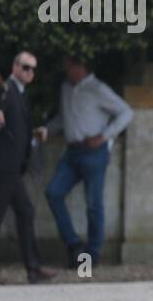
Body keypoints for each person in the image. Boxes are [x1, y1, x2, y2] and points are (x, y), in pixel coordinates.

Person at [0, 52, 57, 286]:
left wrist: (34, 133)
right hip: (4, 166)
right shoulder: (7, 89)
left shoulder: (19, 92)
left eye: (33, 69)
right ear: (15, 66)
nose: (30, 72)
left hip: (11, 166)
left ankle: (33, 268)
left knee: (25, 211)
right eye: (26, 67)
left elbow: (16, 125)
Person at [43, 55, 134, 268]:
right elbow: (63, 118)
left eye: (68, 66)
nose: (65, 71)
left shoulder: (97, 89)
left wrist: (104, 136)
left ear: (79, 66)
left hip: (94, 152)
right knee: (53, 192)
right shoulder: (66, 87)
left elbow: (126, 112)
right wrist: (46, 130)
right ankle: (73, 244)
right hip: (72, 151)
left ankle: (91, 254)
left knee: (93, 203)